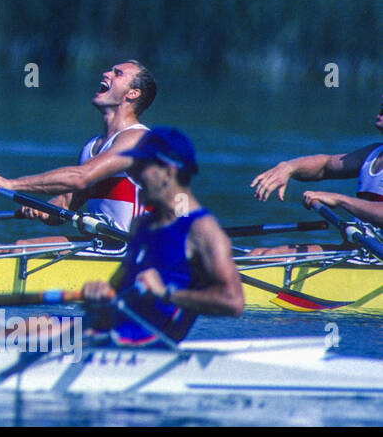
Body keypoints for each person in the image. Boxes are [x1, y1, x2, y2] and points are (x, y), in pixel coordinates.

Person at [78, 127, 244, 345]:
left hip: (147, 343)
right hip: (109, 331)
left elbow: (234, 302)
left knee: (33, 331)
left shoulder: (202, 230)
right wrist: (98, 296)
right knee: (28, 325)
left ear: (168, 172)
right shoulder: (142, 225)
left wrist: (167, 294)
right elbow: (114, 294)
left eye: (141, 167)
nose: (133, 175)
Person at [0, 60, 157, 244]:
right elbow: (65, 204)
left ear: (133, 93)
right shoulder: (92, 146)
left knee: (21, 249)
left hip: (136, 251)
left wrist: (11, 184)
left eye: (117, 73)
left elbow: (80, 177)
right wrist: (42, 210)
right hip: (102, 244)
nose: (105, 73)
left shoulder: (138, 138)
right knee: (8, 249)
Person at [248, 93, 383, 256]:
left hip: (374, 261)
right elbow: (325, 166)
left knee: (265, 259)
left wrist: (341, 200)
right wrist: (289, 167)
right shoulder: (372, 154)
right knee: (256, 255)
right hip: (360, 252)